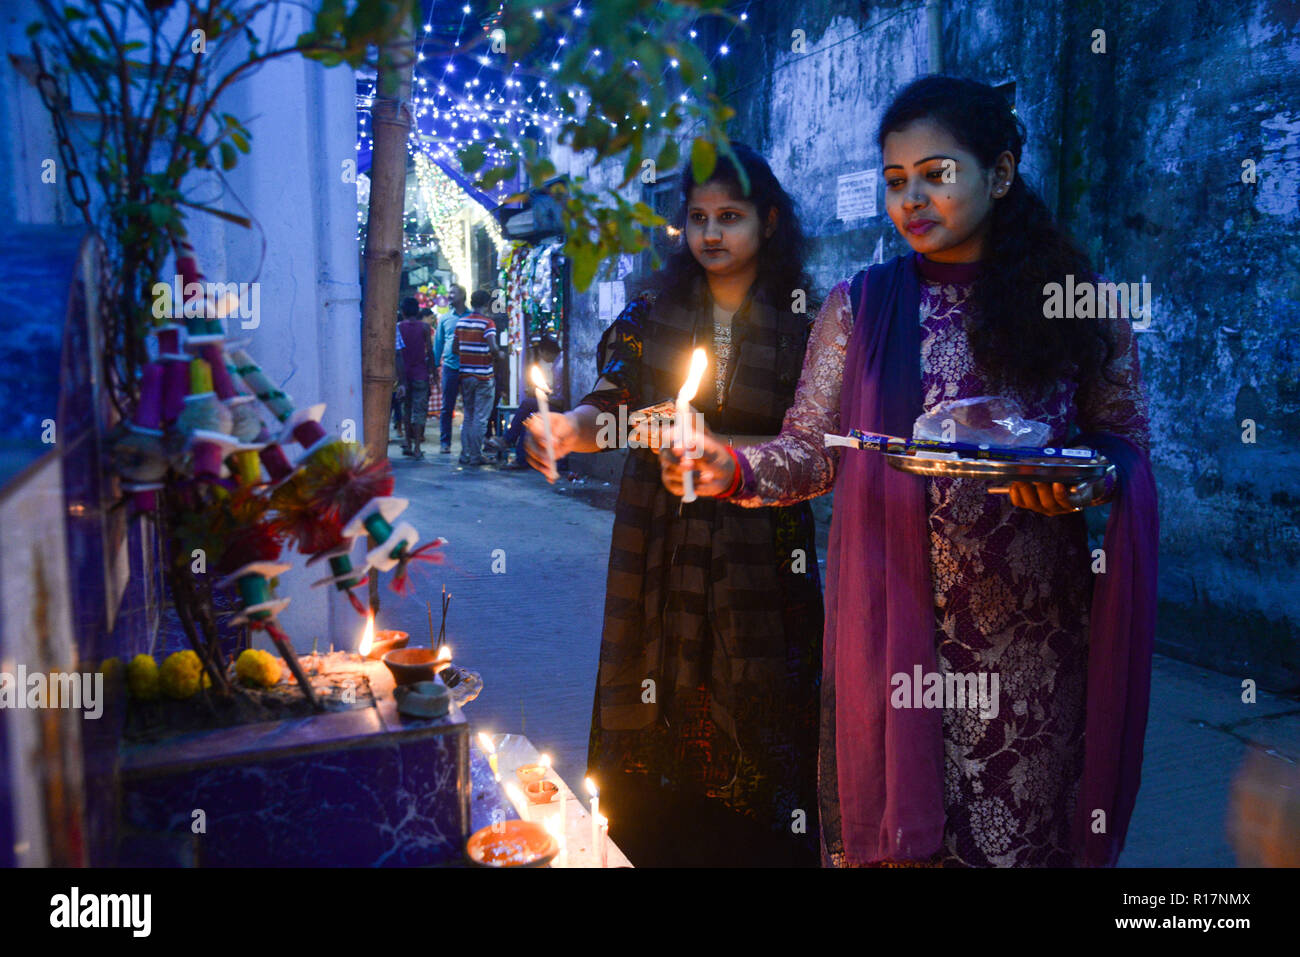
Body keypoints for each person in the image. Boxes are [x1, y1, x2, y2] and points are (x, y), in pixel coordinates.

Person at [661, 76, 1157, 868]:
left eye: (937, 174)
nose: (911, 200)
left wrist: (1086, 478)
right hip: (892, 640)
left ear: (998, 173)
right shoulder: (861, 307)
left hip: (1031, 647)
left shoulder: (1078, 302)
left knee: (1019, 841)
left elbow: (1124, 442)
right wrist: (732, 465)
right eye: (896, 182)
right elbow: (814, 449)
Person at [524, 143, 824, 866]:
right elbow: (616, 408)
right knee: (653, 697)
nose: (712, 233)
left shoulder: (804, 322)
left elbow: (815, 442)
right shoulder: (653, 313)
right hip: (659, 546)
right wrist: (567, 429)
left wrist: (724, 451)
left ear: (770, 221)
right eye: (698, 217)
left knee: (759, 703)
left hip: (760, 545)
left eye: (731, 216)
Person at [496, 335, 561, 469]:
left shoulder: (560, 365)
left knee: (527, 405)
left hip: (561, 406)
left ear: (545, 351)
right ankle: (513, 446)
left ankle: (509, 441)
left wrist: (543, 394)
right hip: (558, 402)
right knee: (528, 412)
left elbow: (561, 399)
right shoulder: (559, 363)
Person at [453, 289, 501, 466]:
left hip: (465, 375)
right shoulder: (487, 323)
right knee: (480, 418)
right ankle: (475, 455)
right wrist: (499, 355)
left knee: (468, 416)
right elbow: (494, 348)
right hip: (483, 376)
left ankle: (465, 455)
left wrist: (469, 352)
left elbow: (454, 349)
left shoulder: (461, 322)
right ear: (487, 304)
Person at [396, 296, 433, 459]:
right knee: (419, 412)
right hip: (421, 374)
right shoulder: (425, 327)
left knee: (406, 409)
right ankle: (417, 447)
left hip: (404, 374)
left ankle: (408, 444)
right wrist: (434, 373)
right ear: (418, 311)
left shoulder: (398, 327)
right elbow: (430, 352)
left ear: (402, 312)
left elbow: (396, 354)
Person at [433, 284, 468, 454]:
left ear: (462, 295)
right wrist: (434, 366)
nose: (449, 295)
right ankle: (445, 443)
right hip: (450, 366)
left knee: (470, 406)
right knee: (447, 406)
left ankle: (468, 442)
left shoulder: (472, 316)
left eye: (453, 292)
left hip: (470, 367)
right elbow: (438, 345)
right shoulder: (445, 319)